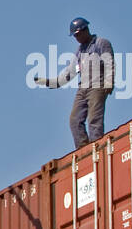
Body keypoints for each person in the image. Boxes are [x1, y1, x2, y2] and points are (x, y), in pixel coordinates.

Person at [33, 16, 115, 149]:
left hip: (97, 86)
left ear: (85, 30)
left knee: (94, 119)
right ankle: (84, 151)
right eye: (74, 36)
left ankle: (97, 149)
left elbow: (109, 63)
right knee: (74, 120)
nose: (76, 38)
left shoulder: (101, 43)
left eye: (77, 35)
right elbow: (69, 73)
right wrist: (48, 82)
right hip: (83, 88)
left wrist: (109, 82)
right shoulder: (79, 51)